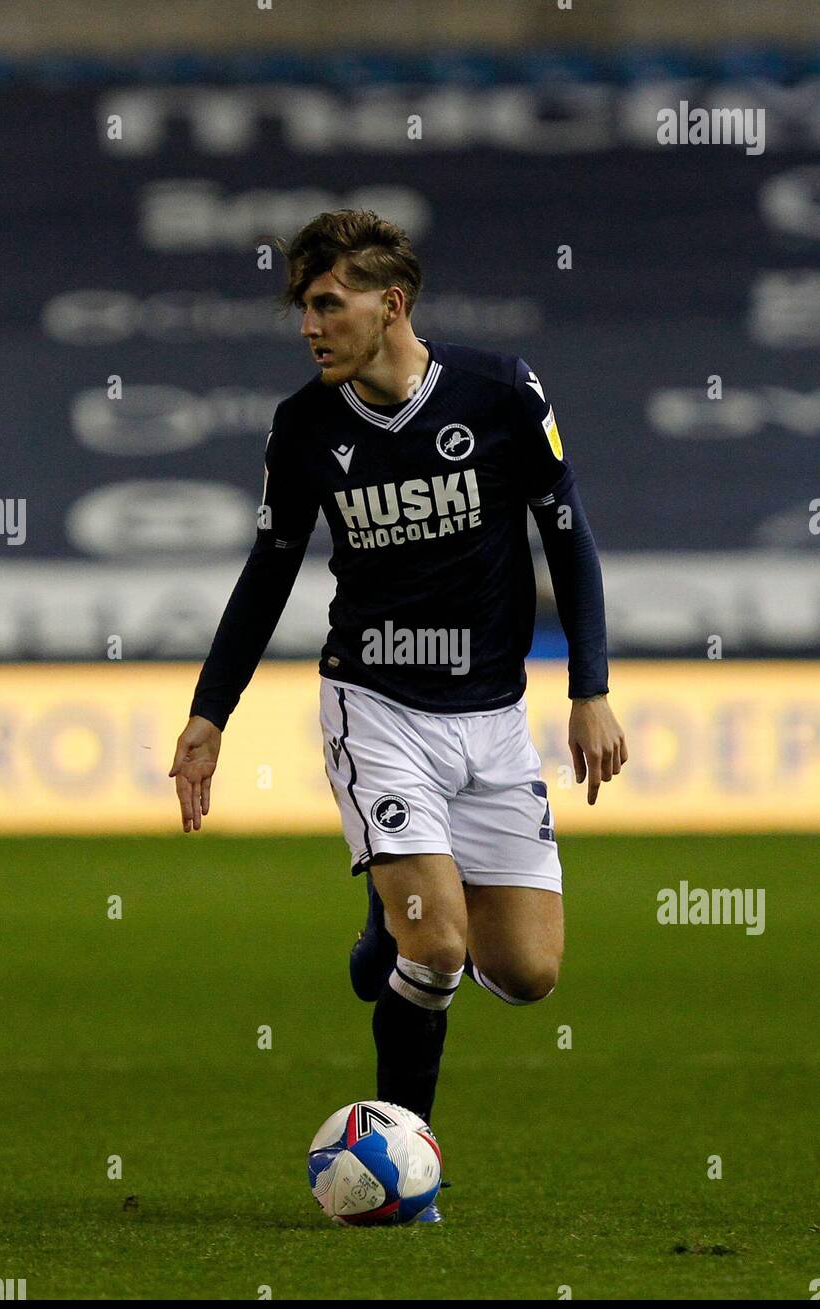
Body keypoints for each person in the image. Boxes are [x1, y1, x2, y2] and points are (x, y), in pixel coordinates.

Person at [169, 209, 628, 1222]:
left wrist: (587, 686)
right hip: (374, 708)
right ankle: (404, 1172)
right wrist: (211, 713)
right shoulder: (304, 428)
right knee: (436, 950)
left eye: (326, 303)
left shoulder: (501, 392)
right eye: (302, 305)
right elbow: (267, 572)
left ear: (392, 304)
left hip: (493, 718)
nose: (308, 325)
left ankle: (388, 904)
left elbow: (568, 534)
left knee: (527, 971)